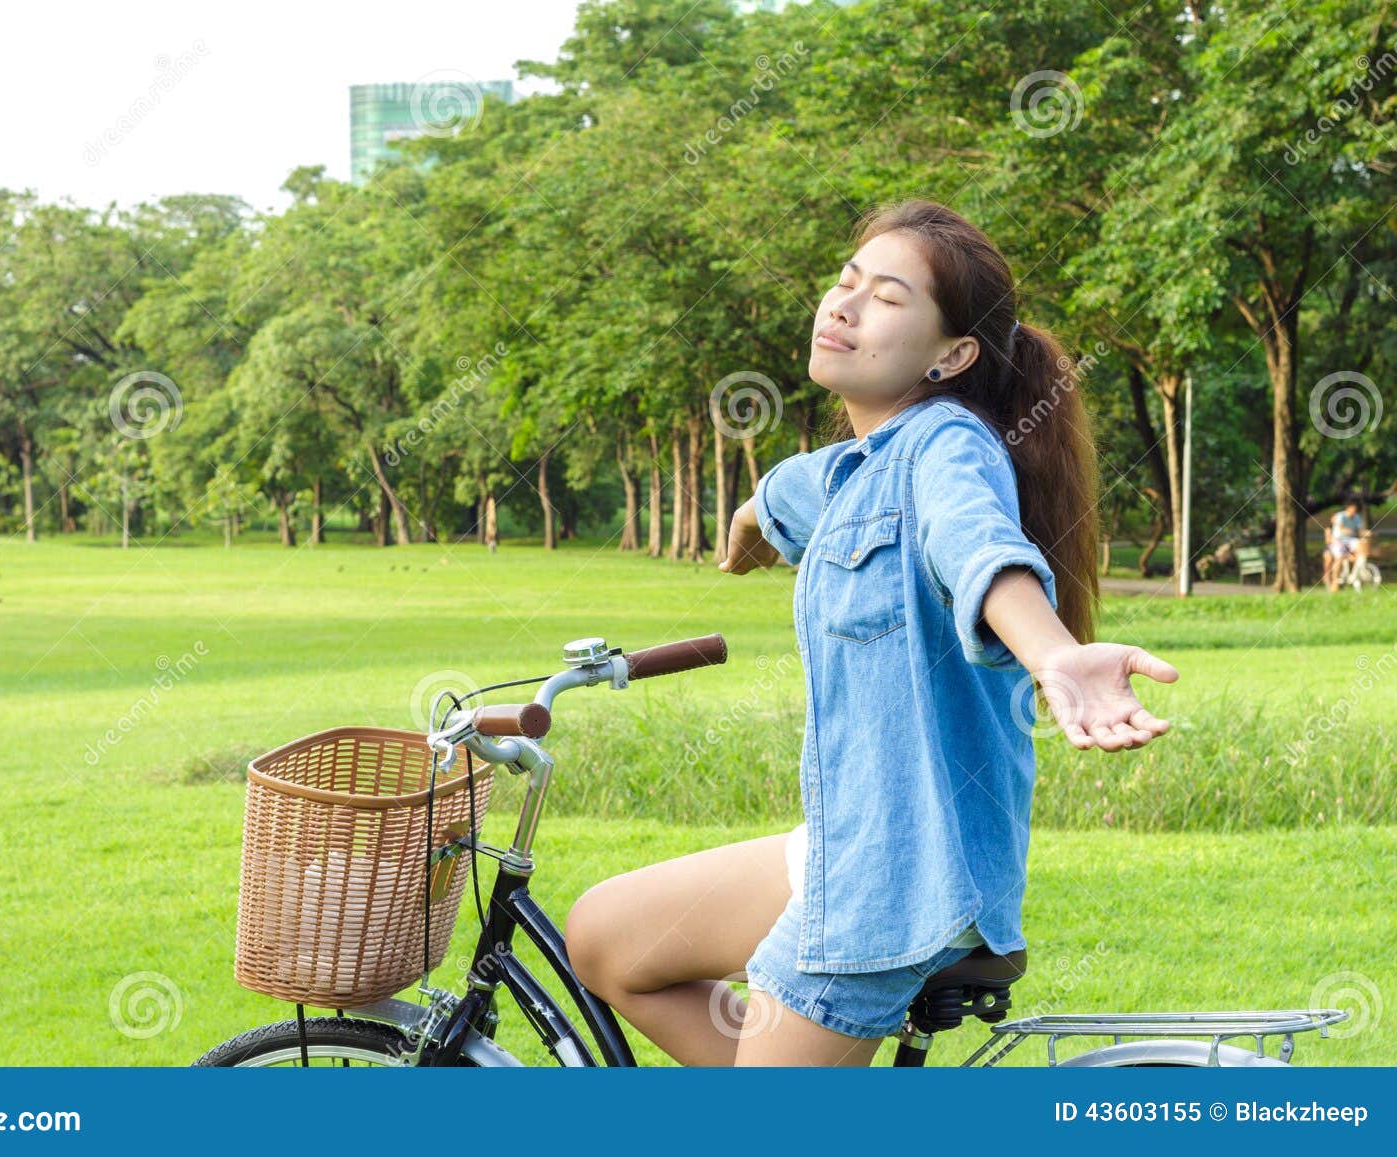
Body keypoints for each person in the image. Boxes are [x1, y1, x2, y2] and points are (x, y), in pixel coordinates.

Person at [564, 199, 1180, 1067]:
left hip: (898, 878)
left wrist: (1054, 653)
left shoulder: (945, 448)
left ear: (952, 354)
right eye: (845, 282)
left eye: (887, 298)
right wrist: (745, 532)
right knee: (602, 937)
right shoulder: (853, 466)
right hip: (849, 840)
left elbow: (977, 545)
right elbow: (783, 494)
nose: (844, 305)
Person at [1327, 502, 1362, 592]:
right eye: (1353, 508)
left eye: (1356, 509)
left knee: (1361, 549)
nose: (1354, 511)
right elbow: (1341, 528)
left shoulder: (1357, 517)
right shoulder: (1340, 516)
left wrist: (1368, 533)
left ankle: (1354, 575)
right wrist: (1350, 531)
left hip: (1351, 539)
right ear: (1348, 508)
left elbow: (1360, 530)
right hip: (1338, 540)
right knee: (1339, 558)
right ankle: (1335, 582)